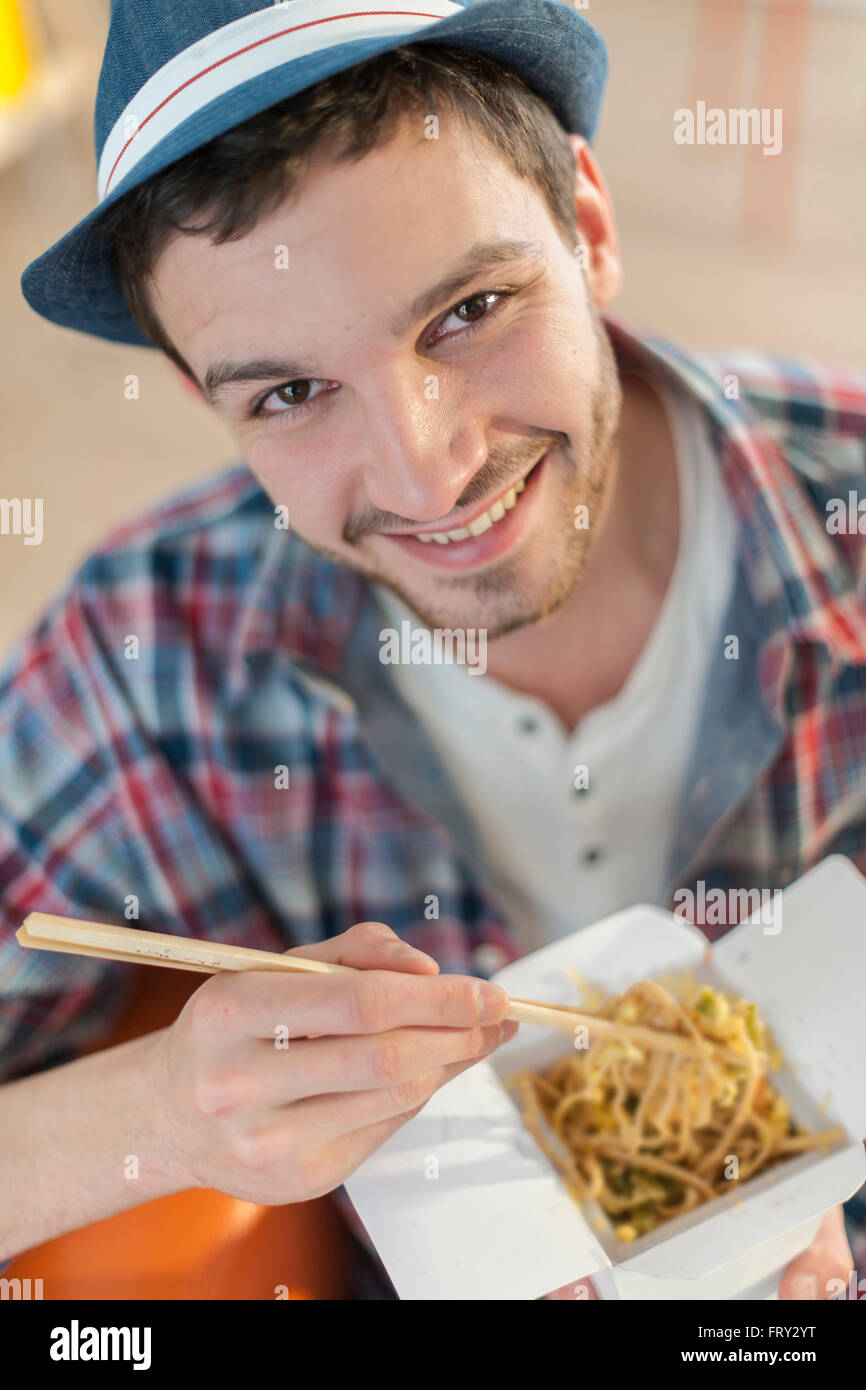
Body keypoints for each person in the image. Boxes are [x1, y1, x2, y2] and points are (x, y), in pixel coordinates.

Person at [3, 0, 863, 1300]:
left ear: (585, 221)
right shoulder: (147, 657)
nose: (425, 470)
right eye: (289, 393)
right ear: (202, 400)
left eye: (465, 309)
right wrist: (160, 1115)